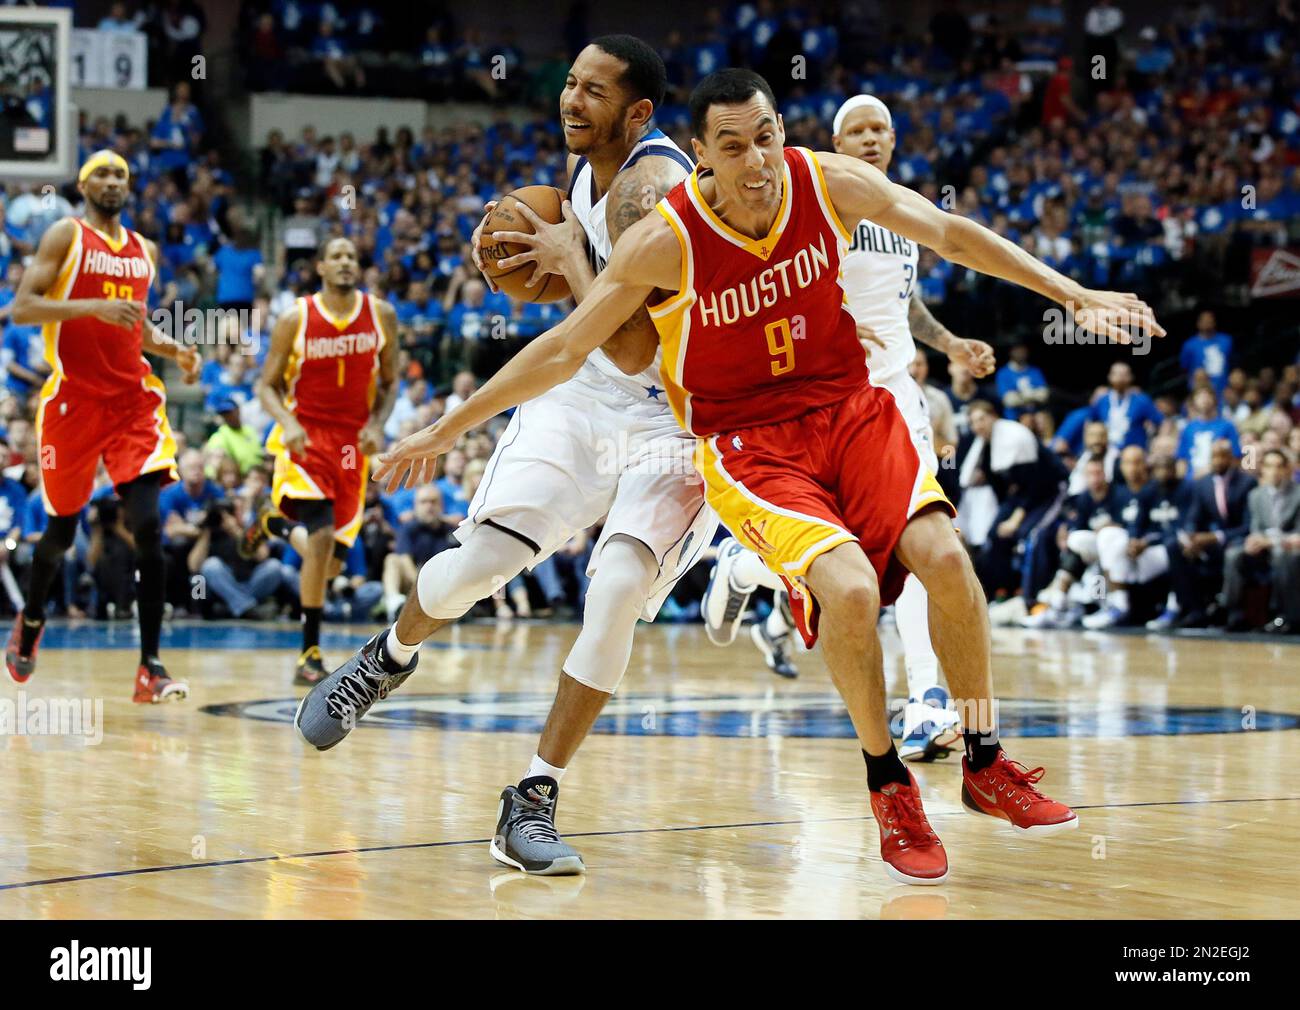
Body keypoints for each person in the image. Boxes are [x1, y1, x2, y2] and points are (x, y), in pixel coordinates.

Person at [353, 70, 1162, 884]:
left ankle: (984, 759)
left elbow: (949, 233)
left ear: (782, 130)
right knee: (847, 590)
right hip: (751, 443)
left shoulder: (828, 179)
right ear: (700, 154)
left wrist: (1073, 291)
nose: (757, 159)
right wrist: (444, 426)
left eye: (766, 136)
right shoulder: (665, 238)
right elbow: (565, 348)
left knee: (948, 562)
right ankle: (889, 784)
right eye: (732, 145)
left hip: (852, 410)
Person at [297, 37, 715, 877]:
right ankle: (389, 656)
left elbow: (636, 349)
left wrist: (568, 261)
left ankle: (533, 795)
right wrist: (450, 422)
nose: (571, 100)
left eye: (594, 92)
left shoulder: (651, 188)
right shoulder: (586, 174)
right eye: (569, 83)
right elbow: (583, 343)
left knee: (619, 588)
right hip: (585, 392)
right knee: (473, 567)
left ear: (639, 113)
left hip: (679, 418)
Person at [699, 94, 996, 760]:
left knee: (928, 551)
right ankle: (747, 567)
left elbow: (903, 297)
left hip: (897, 395)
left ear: (893, 139)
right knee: (850, 566)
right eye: (854, 131)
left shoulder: (894, 208)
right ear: (833, 140)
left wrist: (948, 345)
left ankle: (927, 701)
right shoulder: (813, 197)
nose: (868, 139)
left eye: (878, 129)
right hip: (824, 396)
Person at [4, 150, 201, 702]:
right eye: (103, 174)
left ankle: (150, 666)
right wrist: (91, 305)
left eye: (122, 173)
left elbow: (133, 327)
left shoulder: (146, 251)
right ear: (85, 186)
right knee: (61, 533)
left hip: (132, 404)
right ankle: (34, 618)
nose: (114, 181)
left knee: (148, 528)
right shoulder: (65, 236)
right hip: (72, 405)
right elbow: (22, 308)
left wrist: (176, 349)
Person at [253, 237, 399, 685]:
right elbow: (266, 386)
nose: (345, 262)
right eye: (335, 255)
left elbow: (390, 384)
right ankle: (309, 651)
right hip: (306, 440)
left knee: (330, 565)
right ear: (320, 266)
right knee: (317, 544)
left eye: (352, 256)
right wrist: (286, 422)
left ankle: (274, 526)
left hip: (353, 447)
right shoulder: (296, 317)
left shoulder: (381, 315)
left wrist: (379, 424)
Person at [1168, 438, 1255, 629]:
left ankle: (1232, 612)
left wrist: (1216, 536)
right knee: (1175, 547)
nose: (1217, 461)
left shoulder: (1247, 483)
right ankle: (1194, 610)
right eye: (1214, 456)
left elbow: (1249, 526)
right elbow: (1193, 517)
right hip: (1212, 542)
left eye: (1222, 456)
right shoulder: (1202, 484)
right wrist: (1191, 536)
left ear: (1232, 458)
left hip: (1238, 539)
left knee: (1233, 552)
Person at [1223, 448, 1300, 632]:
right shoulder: (1256, 495)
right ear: (1262, 469)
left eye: (1279, 466)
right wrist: (1254, 540)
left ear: (1287, 469)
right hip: (1264, 550)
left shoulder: (1298, 494)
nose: (1274, 471)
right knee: (1234, 555)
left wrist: (1271, 541)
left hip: (1289, 549)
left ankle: (1287, 616)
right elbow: (1256, 528)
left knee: (1284, 555)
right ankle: (1234, 613)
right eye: (1269, 466)